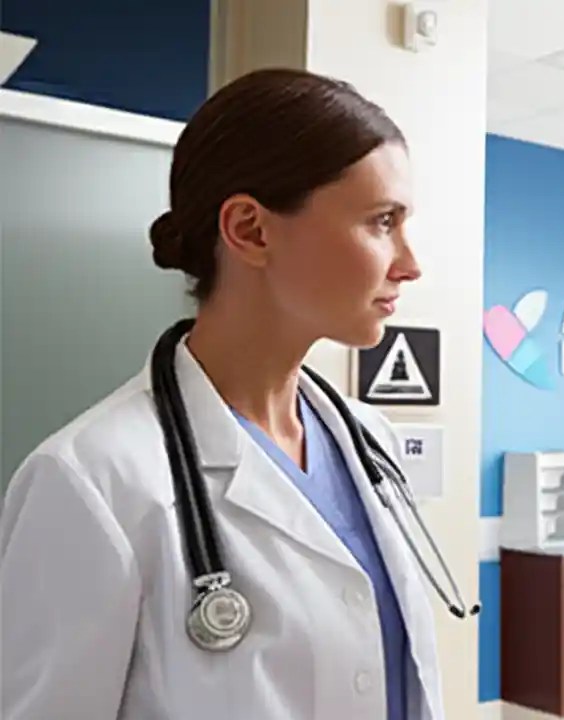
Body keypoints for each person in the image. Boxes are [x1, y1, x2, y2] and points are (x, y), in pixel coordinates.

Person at [0, 68, 454, 719]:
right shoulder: (94, 480)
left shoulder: (367, 442)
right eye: (382, 221)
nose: (409, 263)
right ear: (250, 229)